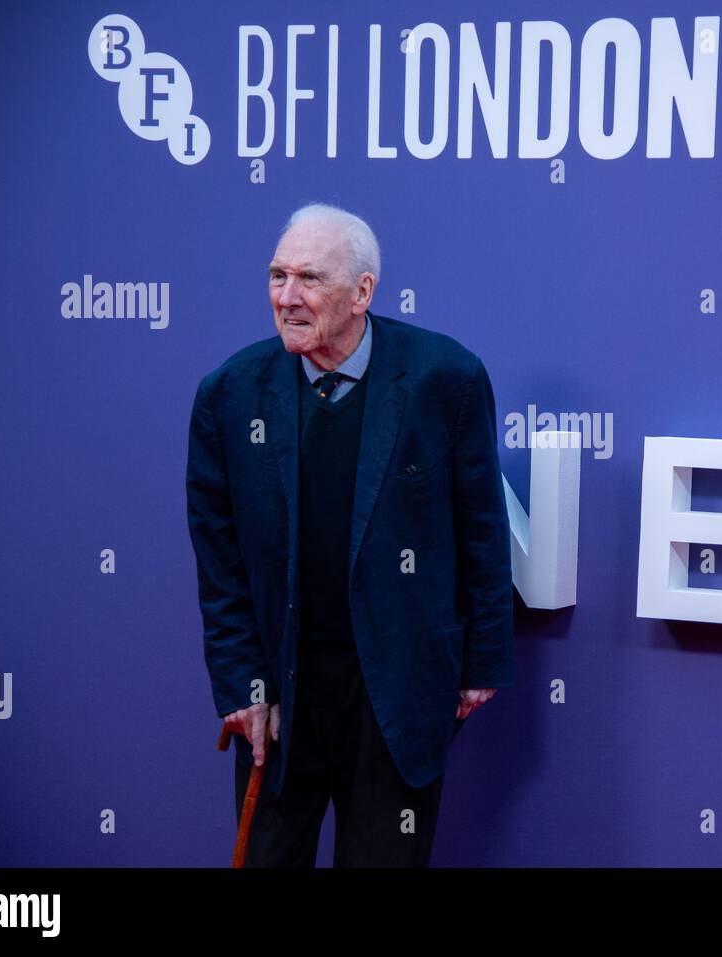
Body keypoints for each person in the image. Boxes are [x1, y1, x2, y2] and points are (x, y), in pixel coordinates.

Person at [185, 203, 514, 866]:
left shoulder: (443, 379)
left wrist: (483, 659)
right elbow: (218, 560)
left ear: (363, 291)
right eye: (277, 276)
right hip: (282, 693)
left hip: (395, 687)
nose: (287, 297)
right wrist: (243, 684)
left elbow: (482, 527)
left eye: (309, 278)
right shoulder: (229, 394)